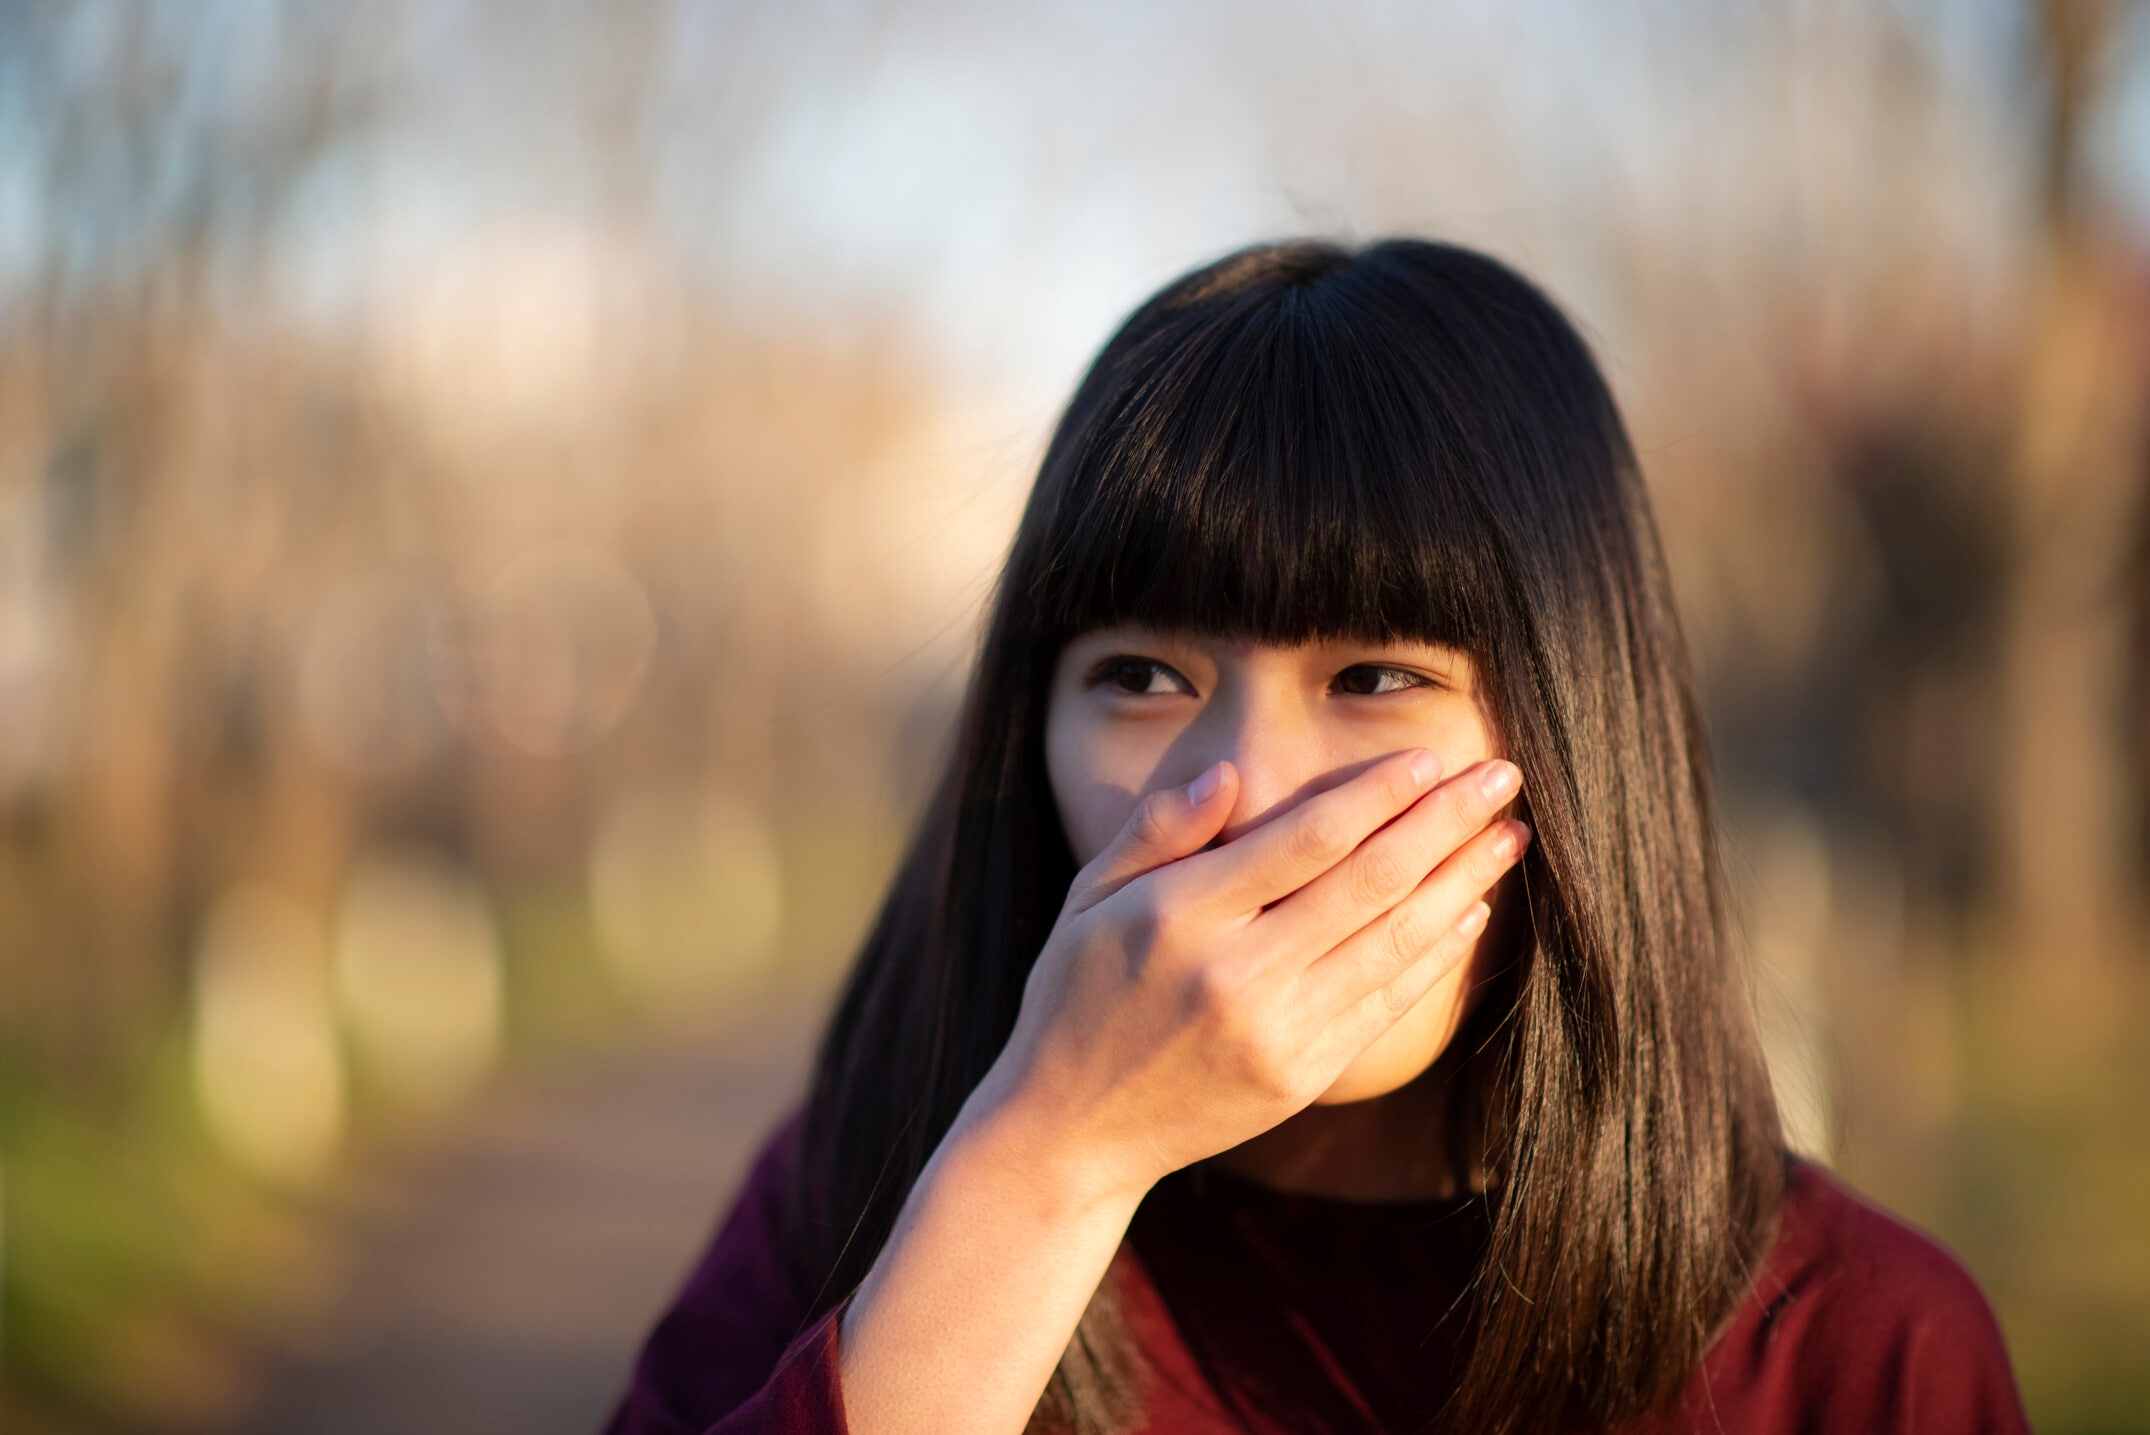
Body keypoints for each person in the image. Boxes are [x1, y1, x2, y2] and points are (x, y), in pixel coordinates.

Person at [601, 239, 2030, 1435]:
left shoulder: (1848, 1349)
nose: (1245, 786)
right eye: (1141, 679)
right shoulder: (867, 1194)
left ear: (1580, 742)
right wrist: (1044, 1176)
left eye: (1376, 679)